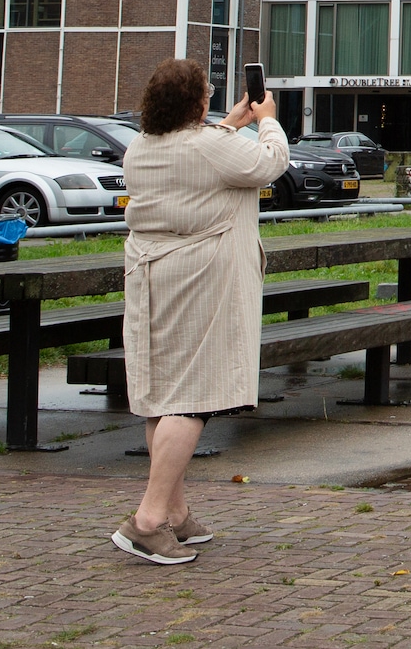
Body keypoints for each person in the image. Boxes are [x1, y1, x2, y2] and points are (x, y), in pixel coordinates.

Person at [109, 59, 289, 564]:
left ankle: (174, 513)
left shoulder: (140, 147)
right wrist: (267, 118)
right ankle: (146, 521)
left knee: (161, 393)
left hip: (151, 274)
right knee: (193, 395)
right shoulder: (210, 146)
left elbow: (197, 153)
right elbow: (269, 163)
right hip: (200, 278)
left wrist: (232, 123)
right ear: (196, 103)